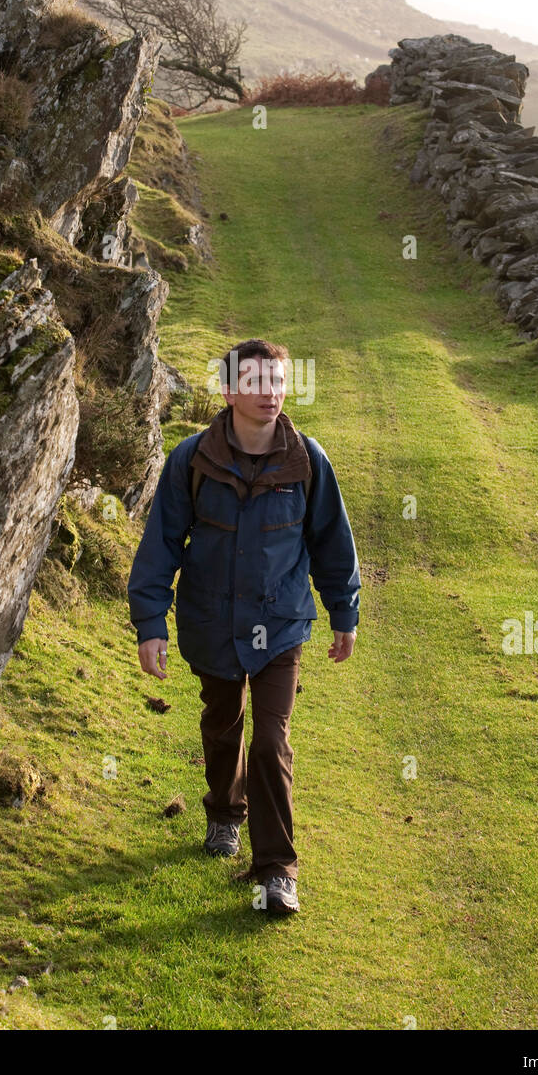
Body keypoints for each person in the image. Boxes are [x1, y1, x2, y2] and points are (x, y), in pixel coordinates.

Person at [127, 338, 360, 915]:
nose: (270, 395)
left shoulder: (307, 460)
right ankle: (225, 814)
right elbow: (161, 545)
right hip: (211, 622)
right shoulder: (191, 460)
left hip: (280, 626)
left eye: (278, 383)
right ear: (229, 391)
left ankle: (277, 870)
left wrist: (343, 612)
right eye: (256, 384)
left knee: (270, 739)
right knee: (222, 724)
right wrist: (150, 622)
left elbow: (332, 543)